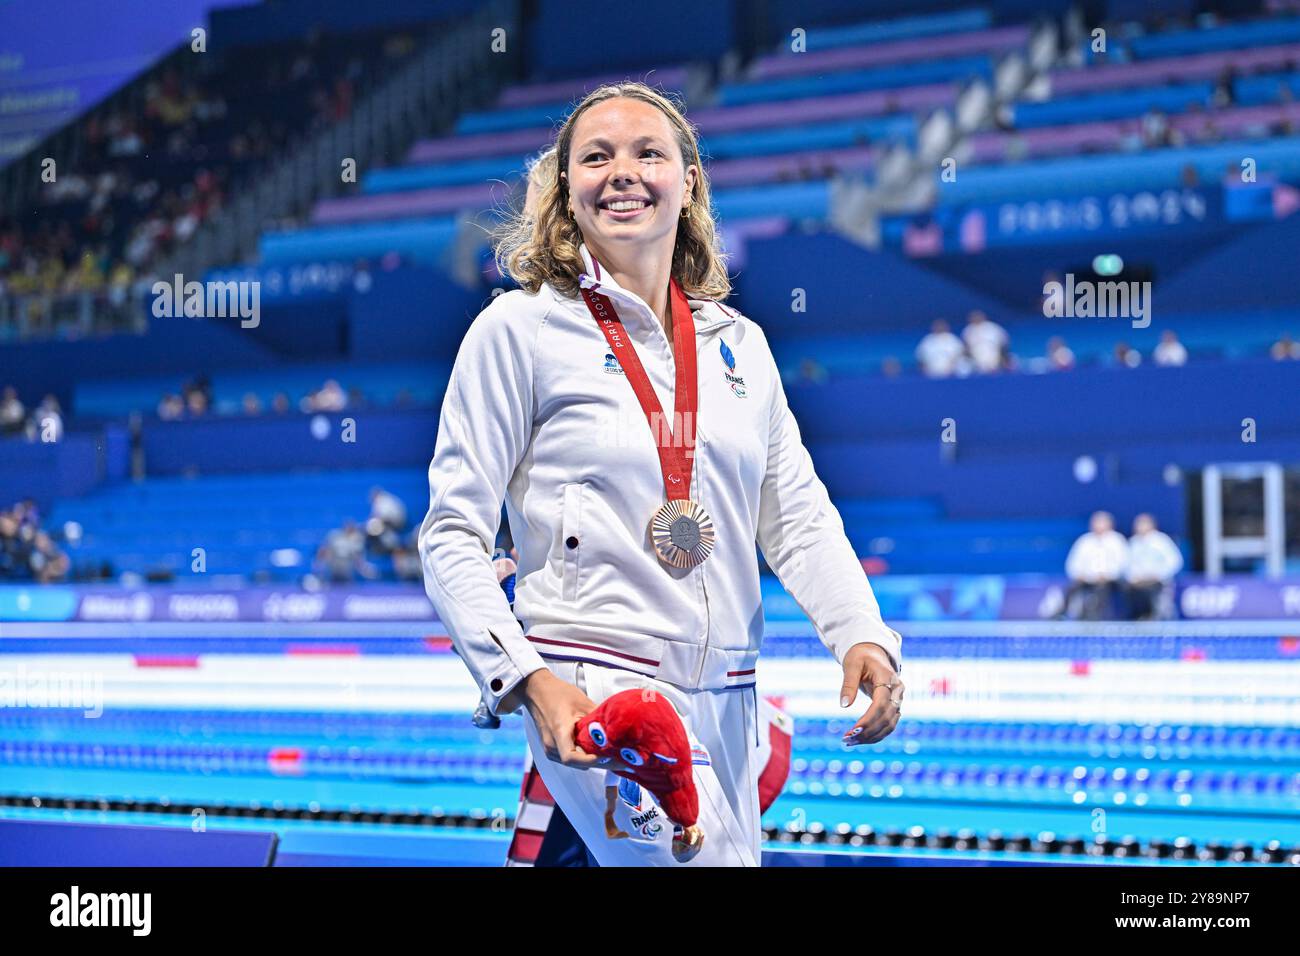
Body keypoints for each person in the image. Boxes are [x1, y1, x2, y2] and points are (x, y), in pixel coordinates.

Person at [417, 82, 903, 867]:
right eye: (596, 157)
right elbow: (450, 534)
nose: (623, 172)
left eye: (649, 153)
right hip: (601, 684)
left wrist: (861, 634)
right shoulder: (519, 329)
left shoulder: (737, 343)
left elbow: (798, 515)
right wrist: (527, 680)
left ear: (689, 183)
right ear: (566, 192)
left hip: (735, 694)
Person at [1063, 511, 1129, 620]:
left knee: (1102, 588)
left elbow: (1123, 563)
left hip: (1110, 579)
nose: (1098, 525)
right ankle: (1063, 614)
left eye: (1101, 522)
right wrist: (1079, 574)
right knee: (1072, 587)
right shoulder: (1084, 541)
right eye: (1096, 522)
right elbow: (1073, 563)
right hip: (1087, 578)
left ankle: (1095, 616)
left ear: (1110, 524)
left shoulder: (1117, 541)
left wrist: (1108, 575)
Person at [1124, 513, 1183, 620]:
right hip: (1138, 581)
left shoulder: (1162, 541)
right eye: (1138, 524)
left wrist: (1158, 575)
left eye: (1143, 524)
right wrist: (1134, 577)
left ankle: (1156, 617)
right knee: (1127, 587)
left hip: (1157, 579)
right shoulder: (1133, 542)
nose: (1140, 527)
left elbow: (1175, 562)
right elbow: (1127, 564)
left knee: (1154, 590)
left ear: (1152, 525)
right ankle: (1138, 617)